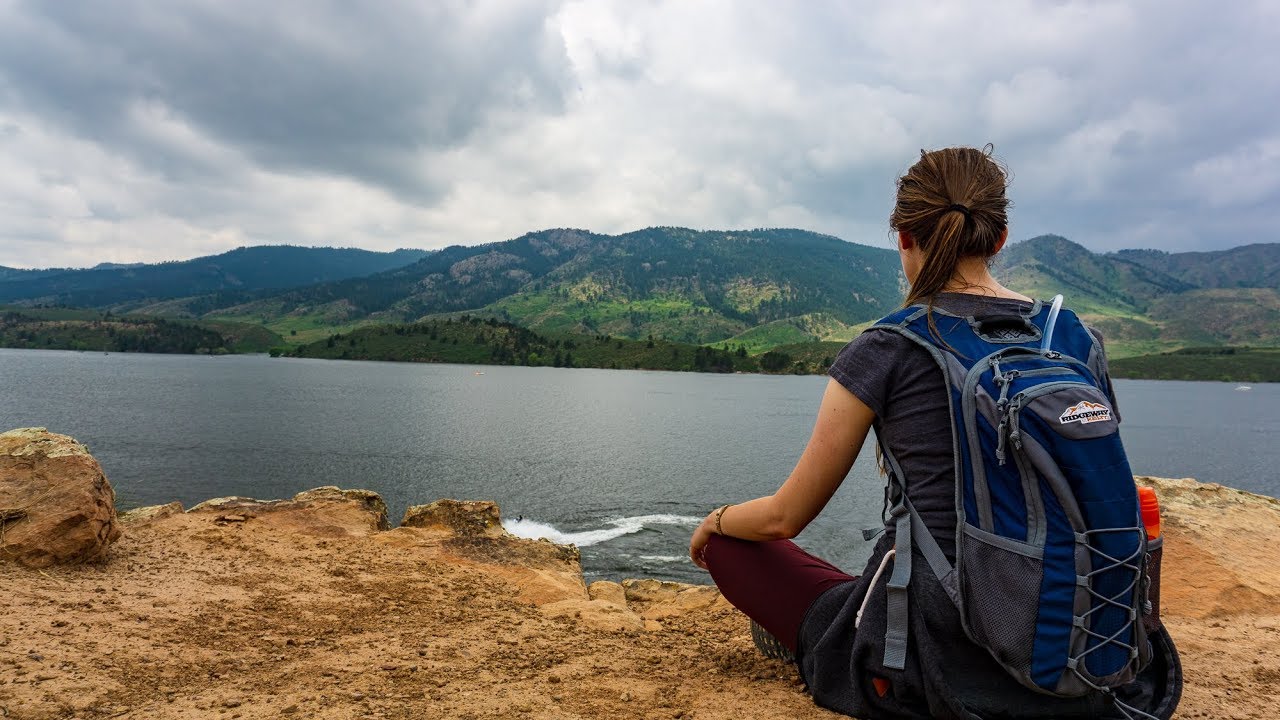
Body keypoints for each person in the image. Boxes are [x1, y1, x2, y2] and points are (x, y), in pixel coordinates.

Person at [689, 146, 1177, 719]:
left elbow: (782, 518)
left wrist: (715, 520)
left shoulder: (888, 346)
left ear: (903, 236)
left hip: (939, 667)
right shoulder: (1073, 337)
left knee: (735, 550)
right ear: (999, 238)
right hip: (1093, 654)